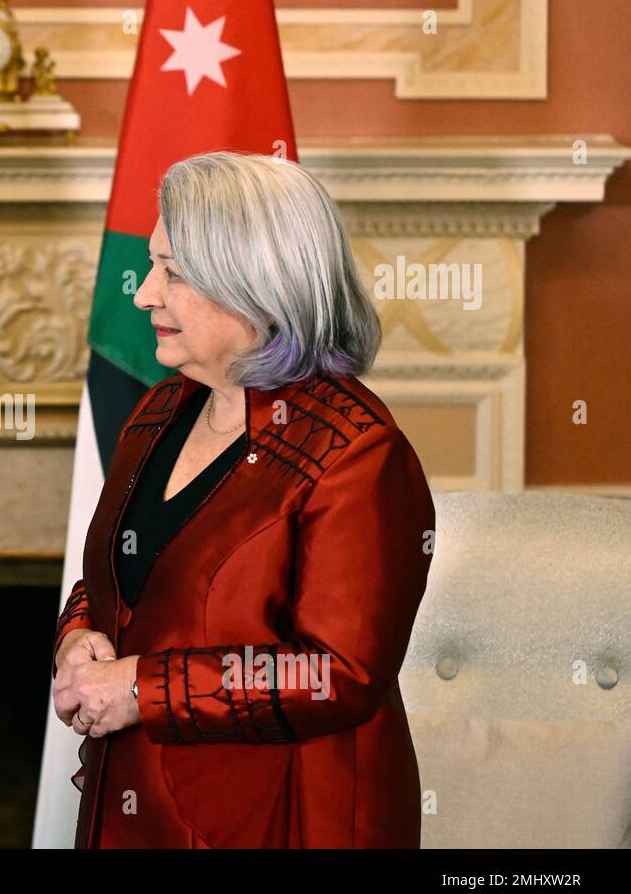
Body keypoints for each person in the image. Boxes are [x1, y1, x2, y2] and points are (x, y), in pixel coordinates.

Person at [52, 151, 435, 848]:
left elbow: (337, 672)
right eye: (152, 264)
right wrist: (78, 635)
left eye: (175, 272)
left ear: (255, 285)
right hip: (137, 806)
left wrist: (142, 687)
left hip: (284, 819)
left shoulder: (358, 452)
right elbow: (126, 577)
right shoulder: (161, 410)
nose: (144, 294)